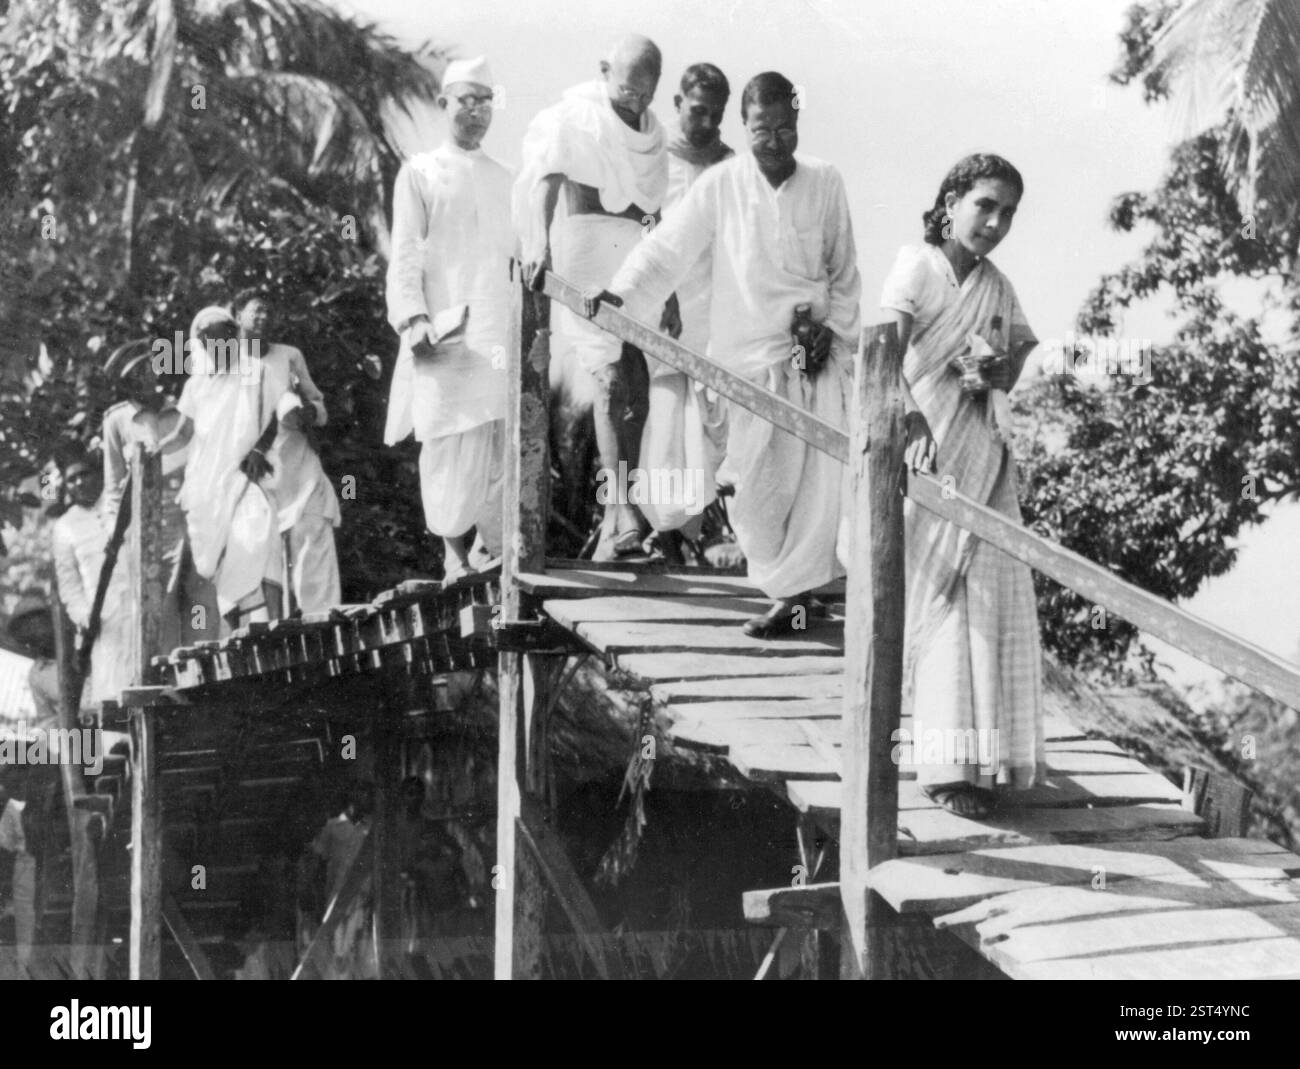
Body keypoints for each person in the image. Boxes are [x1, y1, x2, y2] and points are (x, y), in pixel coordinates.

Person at [605, 72, 931, 636]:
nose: (775, 142)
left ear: (798, 122)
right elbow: (667, 250)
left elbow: (843, 269)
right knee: (756, 491)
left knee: (814, 482)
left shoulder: (826, 180)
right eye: (762, 131)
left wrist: (829, 327)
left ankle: (799, 599)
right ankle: (789, 588)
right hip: (746, 360)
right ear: (745, 128)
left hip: (812, 355)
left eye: (785, 129)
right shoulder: (721, 183)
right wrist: (619, 293)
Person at [880, 153, 1046, 817]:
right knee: (937, 605)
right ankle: (940, 764)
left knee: (982, 602)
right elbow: (882, 357)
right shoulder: (915, 265)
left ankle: (976, 765)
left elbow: (1022, 347)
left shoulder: (998, 286)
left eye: (1007, 212)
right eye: (985, 205)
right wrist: (915, 414)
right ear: (950, 200)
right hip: (928, 458)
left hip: (982, 457)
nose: (996, 222)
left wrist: (998, 369)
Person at [515, 34, 672, 560]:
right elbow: (547, 178)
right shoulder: (577, 115)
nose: (635, 103)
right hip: (585, 244)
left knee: (637, 382)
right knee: (606, 378)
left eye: (646, 94)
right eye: (627, 89)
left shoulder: (655, 134)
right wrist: (538, 241)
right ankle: (621, 511)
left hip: (635, 254)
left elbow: (654, 214)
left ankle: (617, 517)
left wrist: (665, 286)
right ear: (606, 70)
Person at [384, 55, 515, 582]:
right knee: (446, 443)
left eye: (486, 102)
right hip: (443, 331)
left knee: (495, 443)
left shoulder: (508, 179)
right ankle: (453, 555)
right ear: (444, 105)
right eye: (467, 101)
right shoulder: (419, 172)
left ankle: (491, 548)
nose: (477, 112)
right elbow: (406, 250)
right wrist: (412, 318)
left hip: (495, 329)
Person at [637, 62, 734, 561]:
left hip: (712, 297)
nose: (707, 123)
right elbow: (647, 222)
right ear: (678, 104)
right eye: (698, 111)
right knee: (668, 405)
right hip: (667, 294)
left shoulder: (730, 163)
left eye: (716, 115)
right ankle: (663, 524)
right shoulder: (657, 154)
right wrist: (664, 293)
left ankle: (694, 522)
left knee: (708, 411)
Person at [157, 307, 286, 631]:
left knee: (256, 535)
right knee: (218, 562)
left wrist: (258, 449)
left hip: (244, 473)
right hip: (205, 485)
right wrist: (151, 454)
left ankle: (270, 625)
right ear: (202, 345)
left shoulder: (256, 371)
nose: (219, 346)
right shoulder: (196, 384)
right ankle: (243, 629)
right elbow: (182, 434)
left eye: (224, 338)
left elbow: (276, 414)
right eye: (210, 342)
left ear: (234, 336)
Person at [102, 348, 219, 648]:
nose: (146, 378)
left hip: (192, 514)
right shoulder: (118, 421)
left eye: (149, 369)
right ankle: (166, 665)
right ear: (125, 383)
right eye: (135, 374)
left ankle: (201, 650)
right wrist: (113, 532)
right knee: (158, 599)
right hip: (151, 526)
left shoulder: (182, 408)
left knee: (199, 590)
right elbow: (114, 486)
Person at [235, 290, 342, 613]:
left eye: (268, 312)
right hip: (253, 475)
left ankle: (322, 622)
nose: (263, 318)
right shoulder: (226, 362)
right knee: (259, 559)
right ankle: (267, 629)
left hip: (298, 467)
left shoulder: (289, 356)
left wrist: (307, 411)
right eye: (256, 311)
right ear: (238, 316)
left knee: (311, 540)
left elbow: (319, 403)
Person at [51, 457, 132, 705]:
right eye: (71, 480)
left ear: (98, 473)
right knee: (115, 699)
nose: (78, 482)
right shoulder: (64, 527)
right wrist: (83, 616)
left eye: (83, 474)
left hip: (141, 605)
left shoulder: (119, 504)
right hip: (105, 621)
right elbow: (69, 586)